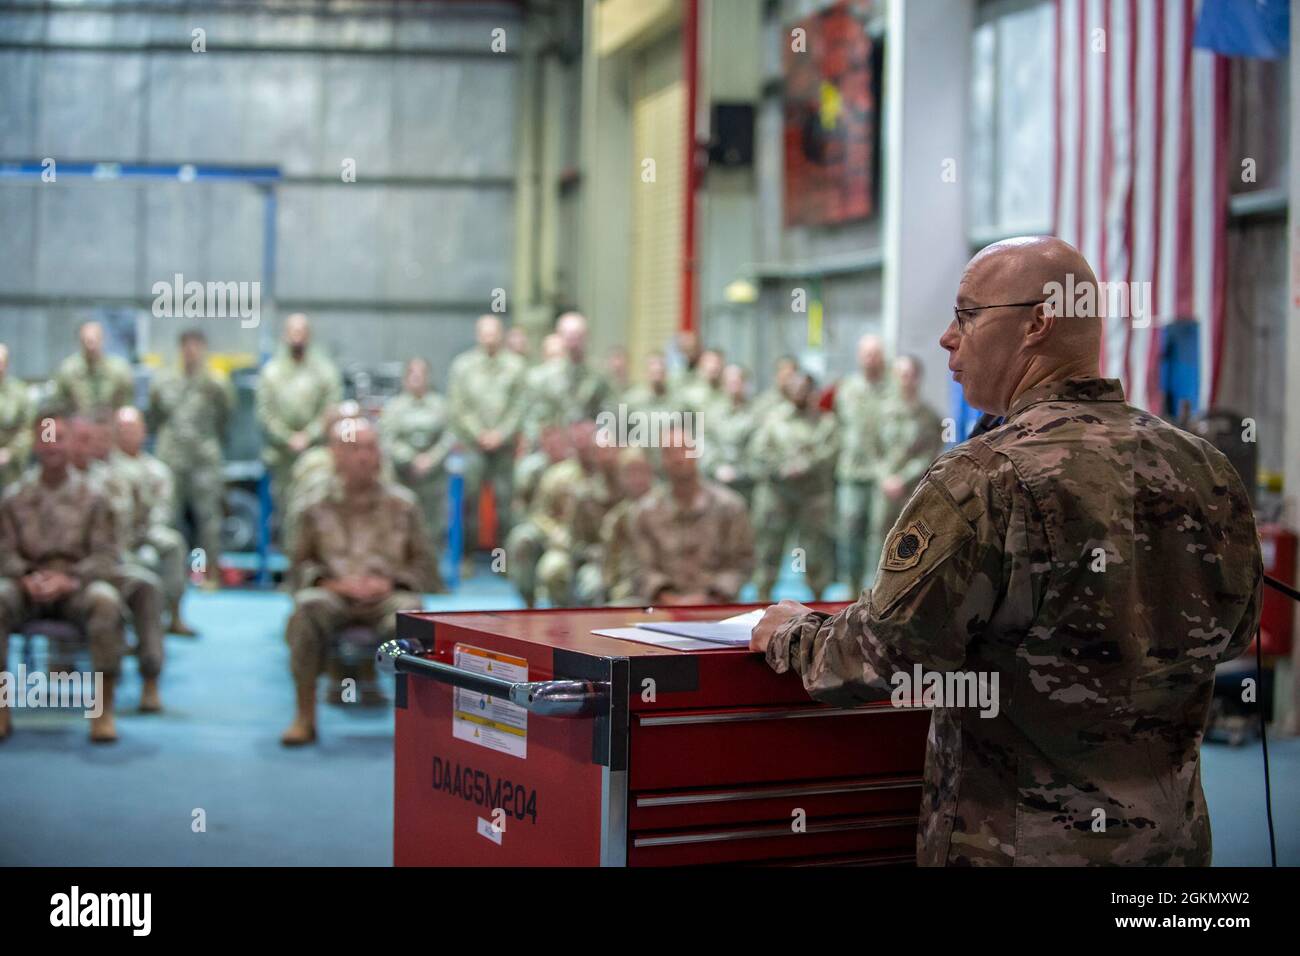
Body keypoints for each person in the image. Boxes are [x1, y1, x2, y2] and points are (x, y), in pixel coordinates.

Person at [751, 236, 1264, 866]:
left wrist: (790, 633)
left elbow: (881, 656)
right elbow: (1236, 633)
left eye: (966, 315)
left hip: (1021, 848)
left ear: (1038, 323)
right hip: (1171, 850)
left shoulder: (984, 478)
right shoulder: (1204, 467)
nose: (946, 337)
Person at [281, 418, 434, 745]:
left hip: (387, 596)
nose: (363, 457)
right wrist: (331, 584)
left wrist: (391, 583)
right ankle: (304, 715)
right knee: (306, 609)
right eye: (354, 449)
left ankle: (421, 726)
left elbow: (424, 566)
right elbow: (297, 567)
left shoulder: (403, 505)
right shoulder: (313, 505)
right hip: (333, 594)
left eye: (370, 448)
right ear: (335, 455)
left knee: (414, 615)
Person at [0, 412, 125, 742]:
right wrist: (25, 576)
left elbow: (106, 556)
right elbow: (4, 550)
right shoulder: (14, 497)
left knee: (106, 601)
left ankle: (103, 710)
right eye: (44, 436)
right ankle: (1, 708)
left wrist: (69, 579)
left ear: (71, 442)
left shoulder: (94, 497)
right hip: (27, 589)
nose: (51, 444)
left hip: (75, 588)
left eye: (58, 436)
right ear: (34, 443)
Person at [72, 415, 168, 712]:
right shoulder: (37, 487)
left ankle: (150, 678)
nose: (91, 447)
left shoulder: (112, 480)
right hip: (60, 576)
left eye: (98, 440)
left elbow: (118, 536)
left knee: (146, 585)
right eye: (83, 440)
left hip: (104, 566)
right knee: (105, 598)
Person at [147, 328, 232, 589]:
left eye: (196, 345)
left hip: (204, 458)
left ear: (204, 348)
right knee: (167, 518)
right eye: (187, 346)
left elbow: (225, 418)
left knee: (208, 520)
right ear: (180, 348)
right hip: (171, 458)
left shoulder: (216, 383)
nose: (191, 351)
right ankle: (170, 575)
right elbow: (154, 417)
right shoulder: (163, 381)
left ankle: (207, 574)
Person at [632, 427, 755, 605]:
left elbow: (741, 563)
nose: (678, 458)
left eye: (684, 449)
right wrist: (669, 599)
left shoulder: (729, 507)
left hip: (717, 606)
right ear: (661, 460)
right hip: (662, 607)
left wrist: (708, 598)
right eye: (669, 452)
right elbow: (641, 567)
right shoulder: (645, 512)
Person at [748, 371, 838, 602]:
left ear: (811, 391)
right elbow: (758, 452)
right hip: (778, 496)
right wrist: (781, 467)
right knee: (769, 550)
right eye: (795, 388)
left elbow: (830, 453)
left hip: (811, 498)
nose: (799, 392)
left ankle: (818, 599)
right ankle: (763, 597)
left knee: (814, 552)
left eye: (804, 388)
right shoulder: (773, 420)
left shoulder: (825, 422)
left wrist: (805, 465)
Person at [113, 407, 196, 636]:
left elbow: (164, 508)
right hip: (116, 535)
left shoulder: (157, 470)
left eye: (132, 429)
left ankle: (175, 614)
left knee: (173, 543)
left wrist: (146, 530)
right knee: (134, 559)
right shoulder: (107, 468)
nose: (127, 434)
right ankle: (127, 627)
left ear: (143, 432)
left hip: (148, 530)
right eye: (122, 429)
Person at [255, 313, 343, 531]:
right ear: (285, 335)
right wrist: (288, 437)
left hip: (317, 456)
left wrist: (308, 436)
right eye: (293, 332)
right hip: (282, 458)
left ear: (309, 335)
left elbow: (331, 409)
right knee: (287, 517)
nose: (297, 337)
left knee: (320, 513)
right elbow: (265, 414)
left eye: (302, 332)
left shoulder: (324, 372)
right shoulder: (271, 373)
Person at [448, 316, 526, 553]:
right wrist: (479, 433)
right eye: (485, 333)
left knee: (505, 503)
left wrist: (501, 434)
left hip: (504, 447)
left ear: (501, 335)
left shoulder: (516, 366)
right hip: (473, 445)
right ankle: (467, 557)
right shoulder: (463, 366)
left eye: (494, 333)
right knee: (469, 502)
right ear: (478, 335)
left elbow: (520, 405)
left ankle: (504, 560)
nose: (490, 338)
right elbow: (458, 406)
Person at [381, 357, 455, 588]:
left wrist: (429, 460)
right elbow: (387, 439)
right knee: (401, 527)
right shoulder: (394, 408)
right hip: (404, 477)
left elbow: (449, 436)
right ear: (405, 379)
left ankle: (431, 579)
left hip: (432, 479)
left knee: (432, 528)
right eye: (412, 374)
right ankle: (403, 577)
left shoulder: (440, 406)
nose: (417, 379)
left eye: (422, 375)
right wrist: (411, 459)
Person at [868, 356, 944, 564]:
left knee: (911, 541)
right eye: (901, 375)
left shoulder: (929, 417)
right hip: (884, 489)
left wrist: (902, 479)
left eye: (910, 375)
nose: (905, 380)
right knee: (878, 540)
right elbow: (872, 450)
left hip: (912, 488)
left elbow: (929, 454)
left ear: (918, 378)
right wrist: (885, 478)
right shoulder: (879, 412)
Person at [835, 334, 893, 595]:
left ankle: (874, 594)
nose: (871, 358)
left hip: (883, 475)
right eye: (866, 353)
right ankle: (851, 589)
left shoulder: (894, 388)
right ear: (859, 357)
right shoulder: (847, 388)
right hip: (851, 473)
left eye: (875, 353)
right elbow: (838, 427)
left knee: (879, 537)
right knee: (849, 535)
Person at [600, 448, 656, 606]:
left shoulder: (667, 509)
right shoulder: (617, 519)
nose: (636, 479)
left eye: (641, 471)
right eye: (629, 473)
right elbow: (610, 564)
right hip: (629, 590)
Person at [700, 363, 755, 506]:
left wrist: (739, 472)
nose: (734, 386)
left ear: (745, 384)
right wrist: (717, 467)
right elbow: (706, 444)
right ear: (723, 384)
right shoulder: (712, 414)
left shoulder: (756, 414)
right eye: (730, 382)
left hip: (747, 487)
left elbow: (758, 450)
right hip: (716, 485)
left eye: (738, 381)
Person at [53, 321, 135, 415]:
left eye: (94, 340)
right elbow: (58, 403)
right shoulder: (68, 370)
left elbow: (128, 403)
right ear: (80, 342)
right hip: (77, 423)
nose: (91, 347)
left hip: (111, 423)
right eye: (86, 341)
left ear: (103, 340)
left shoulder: (119, 369)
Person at [0, 343, 33, 495]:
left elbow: (28, 430)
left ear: (6, 364)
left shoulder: (20, 393)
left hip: (11, 467)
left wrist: (10, 452)